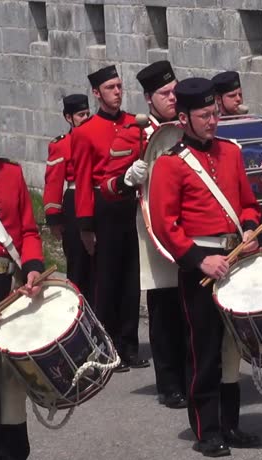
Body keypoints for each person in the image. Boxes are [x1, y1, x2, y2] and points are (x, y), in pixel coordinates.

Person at [149, 78, 261, 457]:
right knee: (205, 348)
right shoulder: (170, 164)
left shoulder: (230, 152)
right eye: (204, 116)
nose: (213, 121)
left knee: (233, 347)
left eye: (214, 114)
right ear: (183, 118)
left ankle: (232, 423)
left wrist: (249, 228)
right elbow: (165, 225)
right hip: (200, 266)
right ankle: (207, 430)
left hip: (235, 259)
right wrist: (199, 259)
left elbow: (248, 204)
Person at [99, 60, 187, 407]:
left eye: (175, 91)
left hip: (189, 228)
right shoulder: (132, 134)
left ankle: (195, 375)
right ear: (149, 98)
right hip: (153, 230)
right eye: (165, 94)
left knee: (193, 306)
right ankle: (170, 383)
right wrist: (127, 179)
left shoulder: (187, 127)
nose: (173, 98)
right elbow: (106, 186)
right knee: (164, 309)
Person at [71, 65, 148, 371]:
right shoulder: (85, 132)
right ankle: (107, 347)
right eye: (110, 88)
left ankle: (129, 346)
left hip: (131, 206)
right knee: (106, 282)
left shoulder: (134, 124)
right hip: (104, 209)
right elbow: (83, 181)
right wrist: (86, 226)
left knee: (131, 281)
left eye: (119, 86)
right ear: (96, 93)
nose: (117, 92)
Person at [0, 108, 45, 460]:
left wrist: (32, 267)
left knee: (12, 384)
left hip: (8, 286)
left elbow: (27, 230)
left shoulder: (10, 173)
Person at [42, 94, 93, 304]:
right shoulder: (62, 145)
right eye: (81, 115)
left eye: (88, 113)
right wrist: (54, 218)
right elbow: (53, 182)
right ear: (68, 118)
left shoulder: (96, 137)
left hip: (96, 200)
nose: (86, 118)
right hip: (74, 201)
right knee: (78, 262)